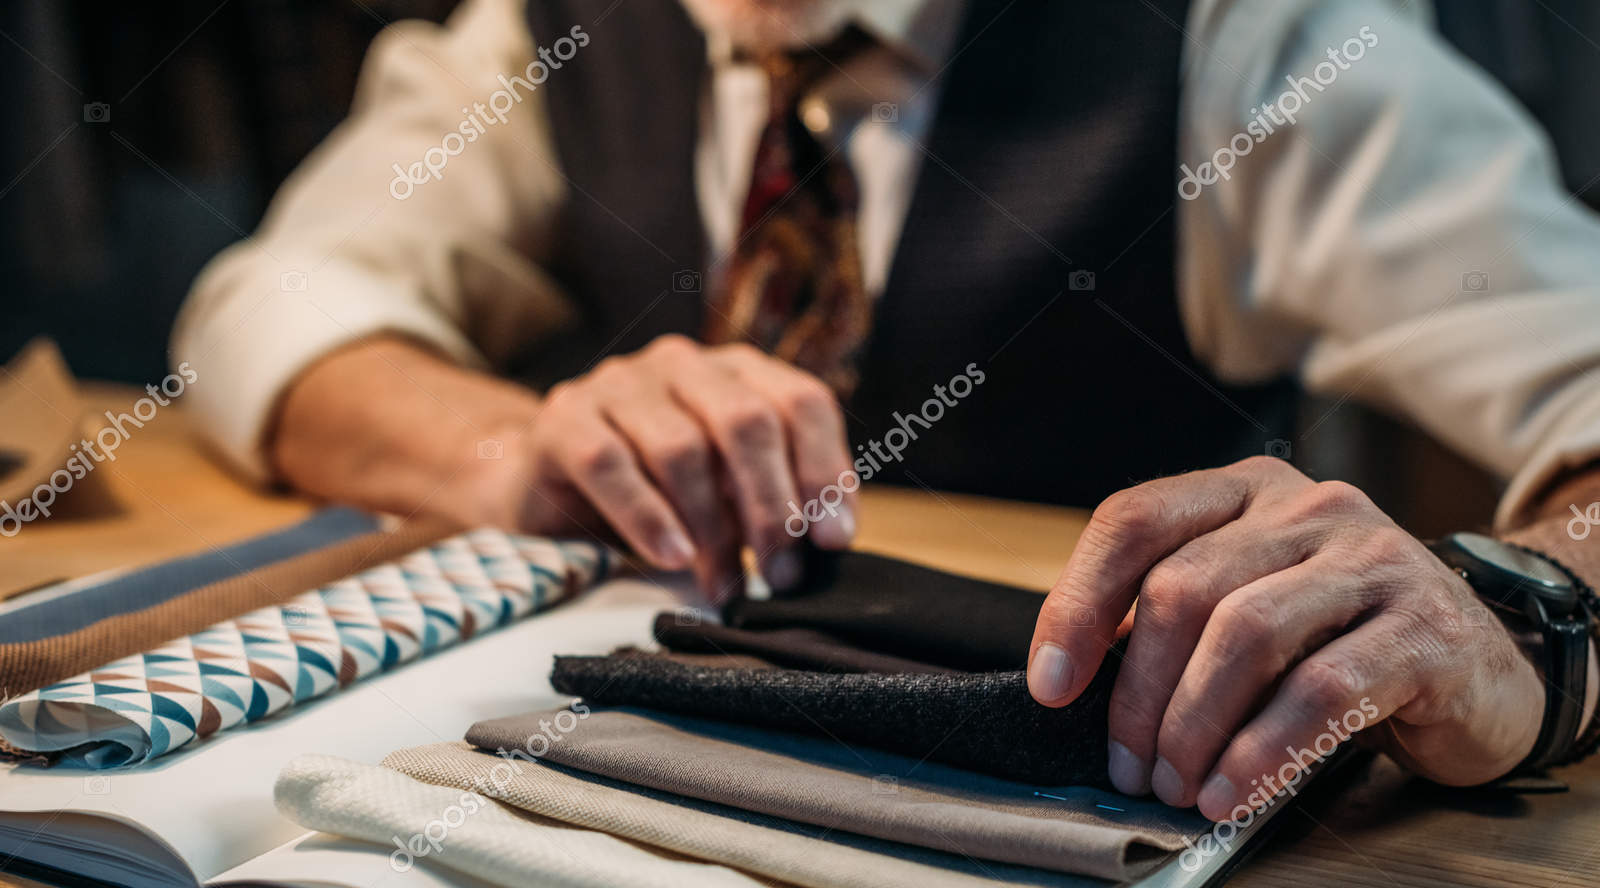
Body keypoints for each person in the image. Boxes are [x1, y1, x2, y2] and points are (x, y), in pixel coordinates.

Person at [172, 0, 1600, 821]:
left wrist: (1525, 609)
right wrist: (515, 443)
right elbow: (267, 307)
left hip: (1102, 849)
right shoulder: (557, 32)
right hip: (627, 799)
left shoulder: (1245, 34)